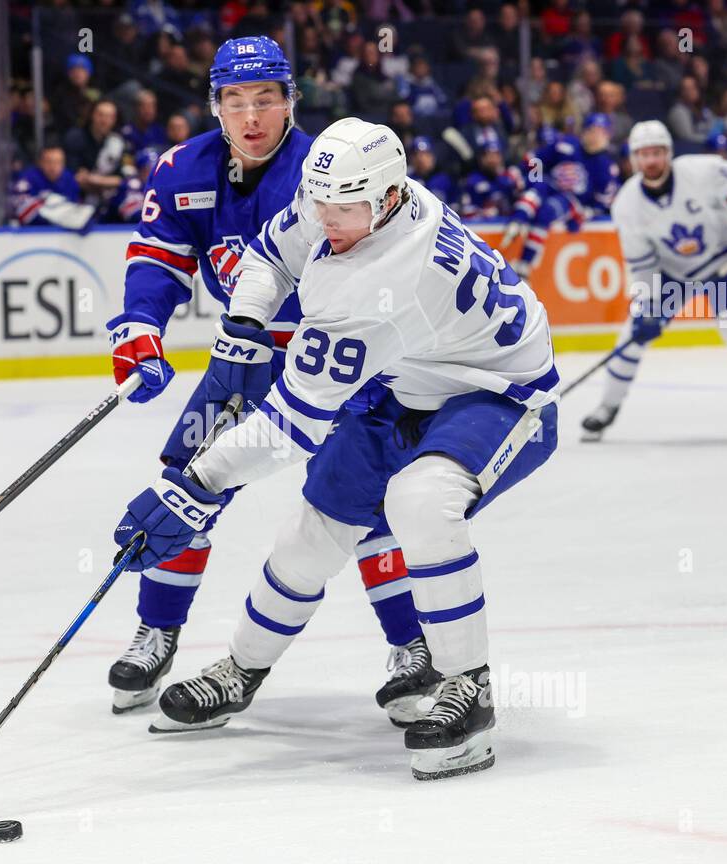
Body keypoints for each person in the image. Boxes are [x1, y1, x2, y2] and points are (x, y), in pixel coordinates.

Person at [112, 118, 559, 780]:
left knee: (420, 501)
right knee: (311, 531)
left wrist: (196, 482)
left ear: (386, 198)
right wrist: (244, 323)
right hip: (412, 376)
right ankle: (241, 669)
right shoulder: (342, 193)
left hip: (500, 392)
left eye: (344, 208)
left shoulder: (385, 285)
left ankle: (469, 687)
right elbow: (270, 256)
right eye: (320, 203)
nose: (327, 219)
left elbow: (291, 426)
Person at [104, 37, 432, 724]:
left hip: (339, 364)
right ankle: (157, 629)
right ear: (215, 106)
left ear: (290, 102)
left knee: (361, 494)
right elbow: (159, 260)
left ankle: (412, 647)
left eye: (266, 101)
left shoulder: (323, 172)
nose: (251, 118)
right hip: (242, 364)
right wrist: (140, 325)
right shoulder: (179, 169)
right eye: (235, 102)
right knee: (186, 477)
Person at [580, 120, 727, 445]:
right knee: (631, 336)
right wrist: (648, 309)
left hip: (722, 265)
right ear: (634, 159)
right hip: (672, 276)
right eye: (644, 154)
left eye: (658, 153)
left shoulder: (700, 171)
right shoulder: (627, 206)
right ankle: (607, 407)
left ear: (669, 154)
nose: (651, 161)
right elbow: (642, 267)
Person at [505, 113, 620, 279]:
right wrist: (532, 179)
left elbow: (602, 204)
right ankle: (517, 221)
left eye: (601, 132)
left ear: (608, 136)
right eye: (592, 130)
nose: (596, 136)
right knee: (538, 187)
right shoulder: (566, 143)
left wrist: (585, 213)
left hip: (571, 201)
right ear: (584, 131)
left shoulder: (606, 166)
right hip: (551, 186)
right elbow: (535, 159)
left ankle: (524, 264)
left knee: (547, 211)